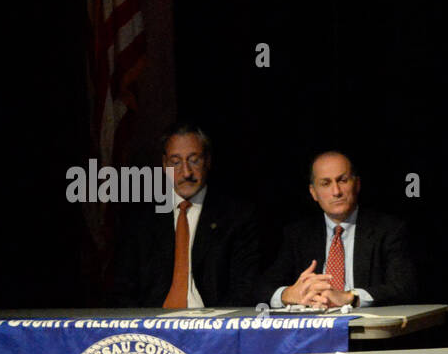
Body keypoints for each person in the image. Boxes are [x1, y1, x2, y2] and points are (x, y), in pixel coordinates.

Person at [112, 123, 260, 307]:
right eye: (176, 162)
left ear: (208, 161)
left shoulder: (237, 216)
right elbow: (121, 288)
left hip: (212, 327)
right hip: (151, 327)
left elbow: (246, 288)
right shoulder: (140, 218)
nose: (186, 172)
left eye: (194, 160)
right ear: (165, 165)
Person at [260, 151, 417, 308]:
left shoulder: (388, 229)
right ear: (313, 192)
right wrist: (287, 294)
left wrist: (351, 298)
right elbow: (258, 287)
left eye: (342, 180)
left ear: (357, 184)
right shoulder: (297, 235)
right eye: (325, 183)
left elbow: (404, 287)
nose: (336, 192)